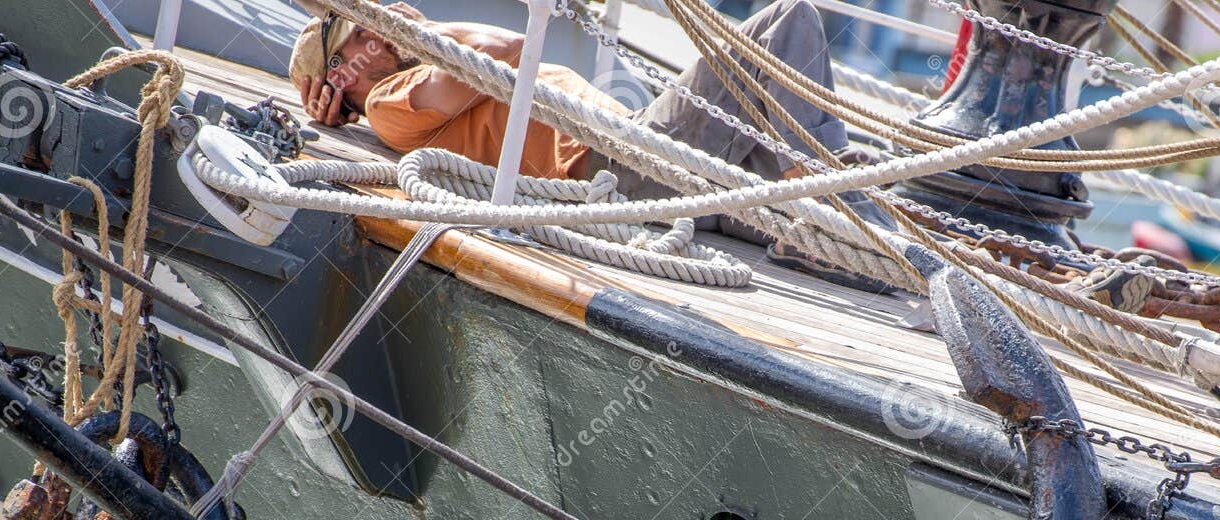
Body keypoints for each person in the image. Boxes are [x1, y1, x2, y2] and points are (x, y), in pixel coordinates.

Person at [287, 0, 891, 289]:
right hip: (614, 166)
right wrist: (419, 30)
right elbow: (503, 48)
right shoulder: (391, 97)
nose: (376, 26)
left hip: (637, 168)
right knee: (790, 19)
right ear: (340, 74)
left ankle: (840, 224)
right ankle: (836, 215)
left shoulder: (394, 90)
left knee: (845, 175)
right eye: (356, 28)